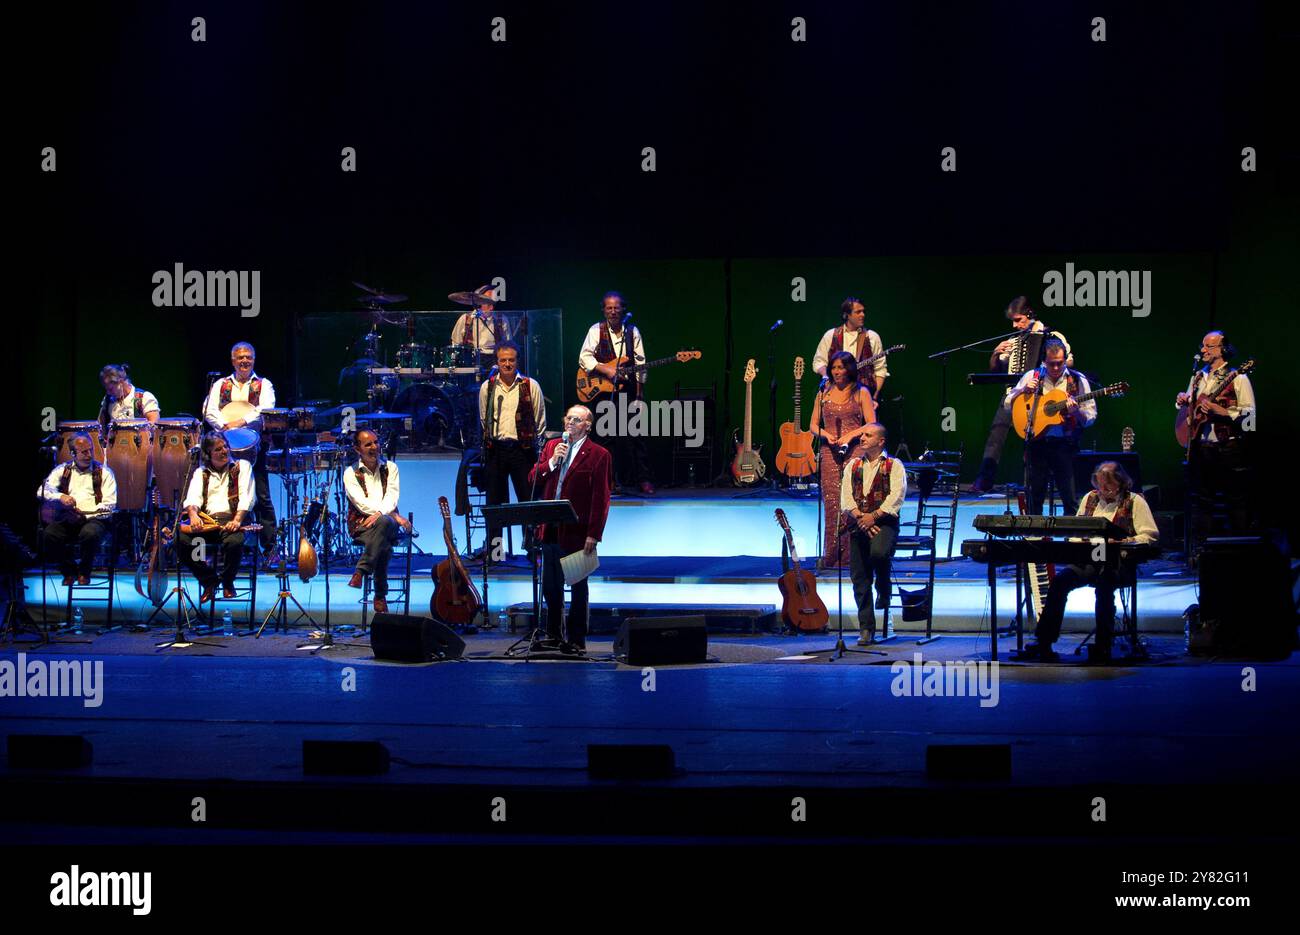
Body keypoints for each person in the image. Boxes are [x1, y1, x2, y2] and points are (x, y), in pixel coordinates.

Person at [1018, 461, 1159, 663]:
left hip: (1118, 563)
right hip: (1090, 560)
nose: (1103, 490)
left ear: (1120, 482)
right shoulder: (1090, 499)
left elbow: (1150, 535)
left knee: (1104, 584)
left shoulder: (1134, 501)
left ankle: (1103, 645)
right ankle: (1044, 641)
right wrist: (1081, 541)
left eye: (1108, 485)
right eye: (1100, 484)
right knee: (1060, 581)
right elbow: (1076, 531)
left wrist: (1123, 541)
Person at [527, 405, 612, 653]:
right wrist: (552, 463)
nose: (570, 423)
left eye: (576, 419)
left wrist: (594, 533)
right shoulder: (553, 448)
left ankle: (576, 640)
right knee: (551, 586)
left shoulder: (599, 455)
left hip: (577, 530)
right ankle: (553, 634)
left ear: (588, 425)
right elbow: (533, 478)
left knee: (577, 586)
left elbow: (601, 498)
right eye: (568, 418)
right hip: (550, 527)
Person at [970, 297, 1072, 494]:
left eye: (1018, 320)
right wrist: (995, 354)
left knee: (1036, 442)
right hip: (1014, 395)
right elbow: (997, 371)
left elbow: (1068, 363)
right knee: (996, 435)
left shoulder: (1052, 335)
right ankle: (985, 479)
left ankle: (1036, 484)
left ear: (1030, 315)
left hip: (1041, 396)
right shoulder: (1013, 342)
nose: (1014, 325)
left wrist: (1046, 370)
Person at [1177, 330, 1256, 549]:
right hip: (1201, 447)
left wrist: (1221, 411)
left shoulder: (1238, 376)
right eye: (1202, 345)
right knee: (1202, 501)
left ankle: (1241, 549)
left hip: (1228, 447)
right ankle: (1202, 552)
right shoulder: (1198, 376)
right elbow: (1192, 408)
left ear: (1222, 350)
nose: (1202, 350)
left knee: (1235, 500)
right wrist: (1183, 401)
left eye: (1208, 346)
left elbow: (1251, 417)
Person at [202, 342, 278, 561]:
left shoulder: (264, 385)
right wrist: (224, 426)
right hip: (225, 445)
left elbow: (266, 409)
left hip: (255, 445)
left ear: (253, 359)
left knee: (262, 495)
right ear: (233, 360)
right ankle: (217, 547)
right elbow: (209, 410)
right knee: (220, 493)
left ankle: (269, 548)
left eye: (249, 357)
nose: (245, 361)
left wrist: (242, 421)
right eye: (240, 357)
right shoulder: (220, 385)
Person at [1003, 338, 1096, 516]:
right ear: (1044, 361)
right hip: (1037, 443)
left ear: (1065, 360)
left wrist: (1076, 413)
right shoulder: (1032, 376)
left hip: (1065, 444)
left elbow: (1090, 416)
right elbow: (1008, 404)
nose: (1055, 368)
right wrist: (1023, 391)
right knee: (1035, 495)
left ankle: (1073, 538)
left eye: (1059, 363)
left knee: (1069, 496)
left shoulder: (1077, 379)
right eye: (1051, 364)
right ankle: (1035, 537)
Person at [577, 291, 653, 495]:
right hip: (603, 391)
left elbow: (641, 364)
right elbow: (584, 358)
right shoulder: (596, 330)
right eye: (609, 308)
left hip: (627, 390)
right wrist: (606, 369)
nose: (613, 311)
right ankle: (608, 480)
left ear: (623, 309)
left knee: (636, 433)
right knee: (605, 437)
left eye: (616, 307)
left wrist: (639, 396)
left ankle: (643, 479)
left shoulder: (632, 331)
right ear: (603, 310)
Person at [477, 341, 546, 559]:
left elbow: (540, 419)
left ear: (517, 361)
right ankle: (496, 552)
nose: (507, 364)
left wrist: (535, 446)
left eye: (511, 360)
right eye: (503, 360)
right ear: (497, 362)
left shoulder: (529, 385)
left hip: (522, 450)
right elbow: (483, 418)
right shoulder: (488, 386)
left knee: (527, 500)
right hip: (496, 450)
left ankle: (532, 547)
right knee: (495, 503)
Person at [839, 423, 907, 644]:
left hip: (883, 522)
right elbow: (846, 497)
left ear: (881, 441)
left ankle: (884, 588)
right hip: (859, 523)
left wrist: (874, 517)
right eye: (862, 435)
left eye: (868, 435)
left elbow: (896, 496)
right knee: (859, 576)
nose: (862, 438)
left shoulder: (894, 465)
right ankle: (866, 628)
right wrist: (861, 517)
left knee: (878, 553)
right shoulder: (853, 465)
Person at [809, 351, 877, 567]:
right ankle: (831, 555)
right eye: (834, 367)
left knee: (851, 503)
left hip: (854, 452)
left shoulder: (861, 392)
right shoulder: (823, 393)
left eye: (841, 367)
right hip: (830, 453)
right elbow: (812, 425)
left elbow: (871, 425)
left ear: (850, 369)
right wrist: (826, 434)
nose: (837, 372)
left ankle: (852, 557)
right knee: (831, 504)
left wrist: (850, 435)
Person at [178, 432, 254, 605]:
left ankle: (227, 582)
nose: (224, 451)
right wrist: (193, 515)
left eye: (225, 446)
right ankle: (209, 580)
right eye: (218, 449)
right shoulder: (201, 472)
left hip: (233, 521)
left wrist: (237, 520)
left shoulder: (242, 466)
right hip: (208, 524)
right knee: (183, 540)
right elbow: (192, 498)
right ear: (208, 454)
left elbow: (246, 497)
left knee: (233, 543)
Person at [342, 429, 412, 614]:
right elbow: (360, 503)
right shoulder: (350, 473)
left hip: (386, 521)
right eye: (368, 444)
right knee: (384, 544)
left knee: (384, 524)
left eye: (376, 442)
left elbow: (392, 496)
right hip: (362, 524)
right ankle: (380, 595)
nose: (374, 447)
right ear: (358, 449)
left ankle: (361, 572)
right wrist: (392, 515)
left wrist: (383, 513)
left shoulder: (391, 468)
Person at [37, 432, 118, 586]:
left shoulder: (105, 473)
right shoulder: (63, 470)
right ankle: (69, 571)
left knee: (90, 533)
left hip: (95, 519)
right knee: (48, 535)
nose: (89, 455)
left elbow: (109, 505)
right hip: (68, 518)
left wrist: (85, 515)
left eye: (91, 450)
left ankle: (84, 571)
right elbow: (42, 491)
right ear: (73, 453)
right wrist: (60, 497)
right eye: (84, 451)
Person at [811, 297, 888, 397]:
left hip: (863, 396)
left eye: (863, 311)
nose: (863, 315)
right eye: (858, 312)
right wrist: (827, 376)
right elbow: (819, 361)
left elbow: (880, 369)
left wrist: (874, 397)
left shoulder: (872, 337)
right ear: (846, 315)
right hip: (834, 394)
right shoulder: (831, 335)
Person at [449, 286, 510, 370]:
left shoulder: (501, 319)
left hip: (494, 359)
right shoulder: (466, 319)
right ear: (479, 302)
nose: (492, 308)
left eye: (493, 304)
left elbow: (508, 344)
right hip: (471, 359)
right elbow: (456, 343)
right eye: (488, 304)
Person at [96, 363, 161, 428]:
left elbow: (154, 426)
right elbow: (100, 426)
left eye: (111, 389)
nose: (108, 392)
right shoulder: (108, 400)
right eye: (106, 389)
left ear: (121, 382)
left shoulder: (144, 397)